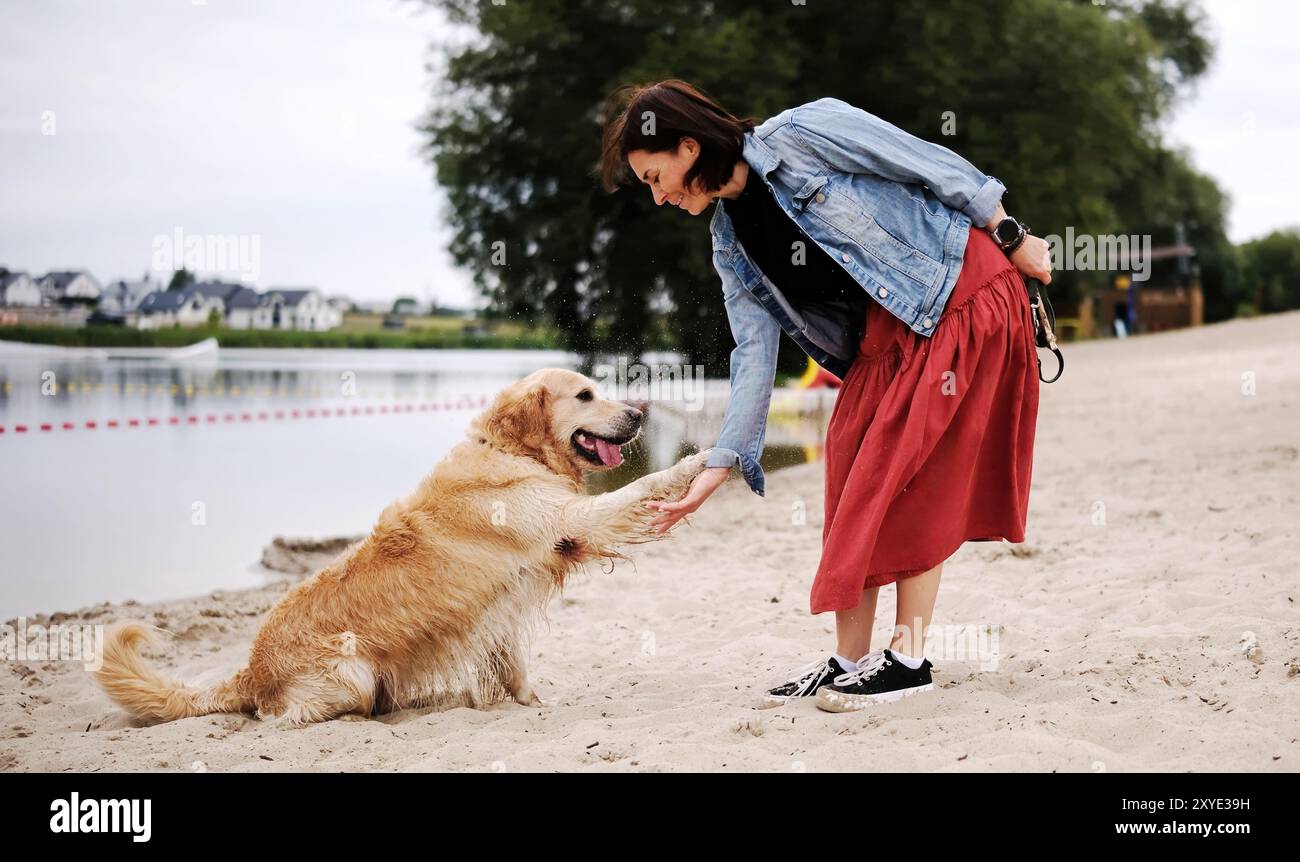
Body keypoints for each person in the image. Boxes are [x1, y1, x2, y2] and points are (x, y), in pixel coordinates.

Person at [599, 80, 1051, 711]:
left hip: (955, 291)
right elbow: (753, 356)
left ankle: (910, 660)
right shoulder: (730, 243)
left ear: (689, 146)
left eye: (655, 176)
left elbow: (927, 163)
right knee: (846, 469)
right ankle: (850, 660)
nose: (659, 195)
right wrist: (721, 464)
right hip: (885, 335)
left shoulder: (806, 133)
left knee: (904, 475)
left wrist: (1010, 234)